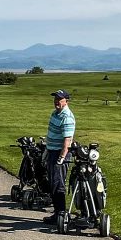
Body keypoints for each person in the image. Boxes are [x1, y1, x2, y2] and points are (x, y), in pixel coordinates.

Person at [43, 89, 76, 225]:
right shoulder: (55, 113)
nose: (56, 101)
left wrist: (61, 158)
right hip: (52, 151)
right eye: (55, 99)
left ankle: (60, 214)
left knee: (58, 184)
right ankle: (57, 212)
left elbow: (67, 141)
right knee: (53, 183)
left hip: (59, 154)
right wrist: (46, 150)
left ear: (66, 101)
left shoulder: (66, 116)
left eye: (59, 99)